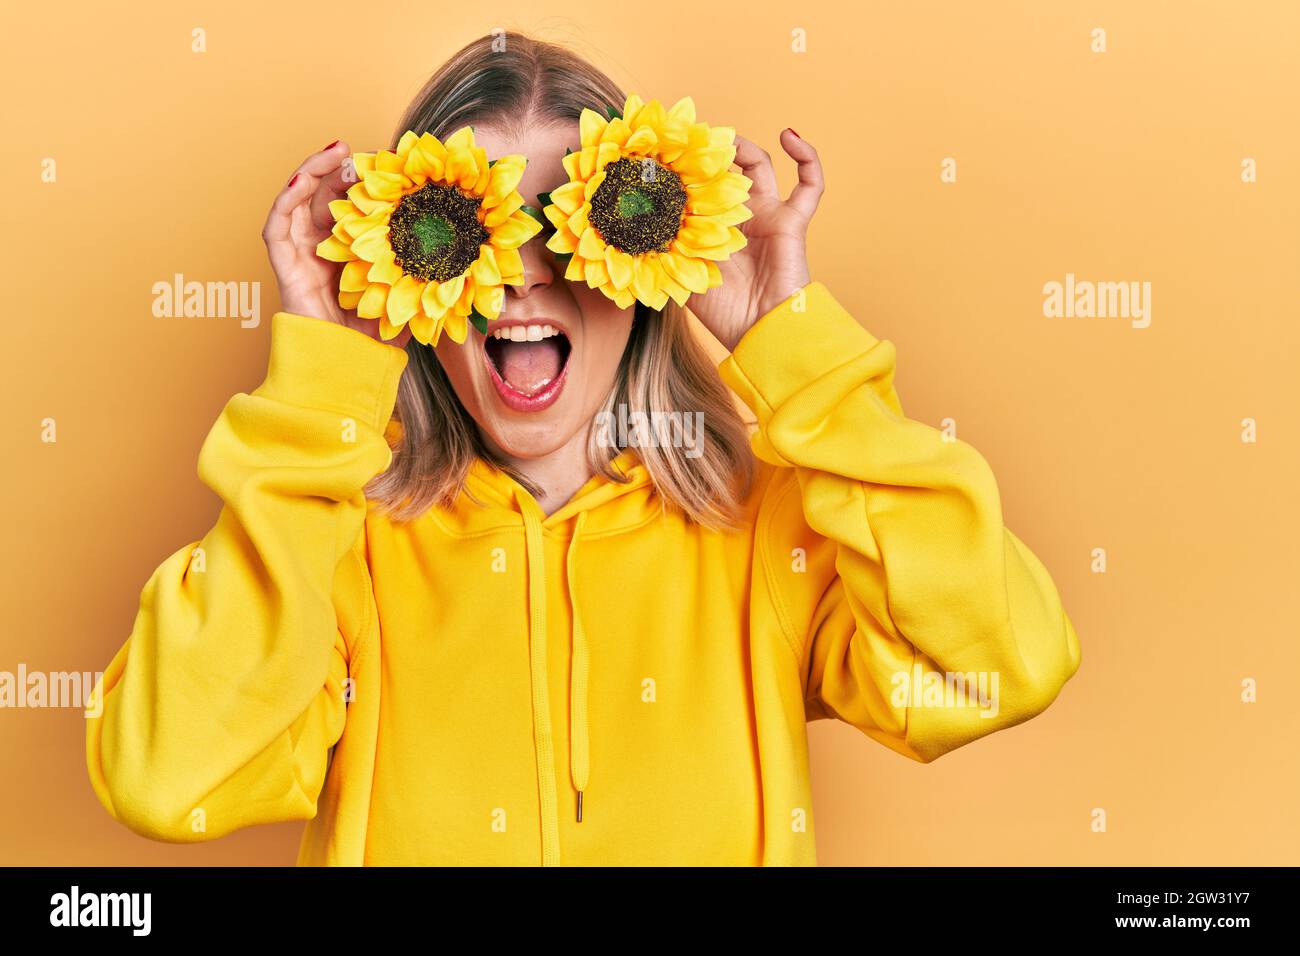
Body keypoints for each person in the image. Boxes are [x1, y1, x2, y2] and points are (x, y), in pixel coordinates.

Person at [85, 33, 1080, 866]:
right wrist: (320, 391)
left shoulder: (768, 536)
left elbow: (1003, 664)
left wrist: (793, 345)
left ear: (654, 268)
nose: (522, 281)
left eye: (569, 233)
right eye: (465, 232)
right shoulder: (335, 554)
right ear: (403, 273)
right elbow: (167, 778)